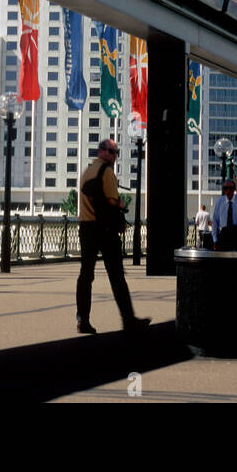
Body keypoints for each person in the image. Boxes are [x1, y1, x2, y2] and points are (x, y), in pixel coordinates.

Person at [75, 139, 149, 333]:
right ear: (102, 152)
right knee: (116, 276)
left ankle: (82, 319)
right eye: (111, 151)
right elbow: (111, 200)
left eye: (116, 152)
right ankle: (128, 319)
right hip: (104, 230)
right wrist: (121, 206)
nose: (114, 156)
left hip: (86, 228)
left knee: (86, 275)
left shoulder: (87, 172)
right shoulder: (106, 172)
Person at [212, 180, 237, 251]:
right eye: (225, 188)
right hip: (224, 234)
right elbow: (215, 221)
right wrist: (215, 240)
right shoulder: (220, 202)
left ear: (234, 189)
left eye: (230, 188)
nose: (228, 191)